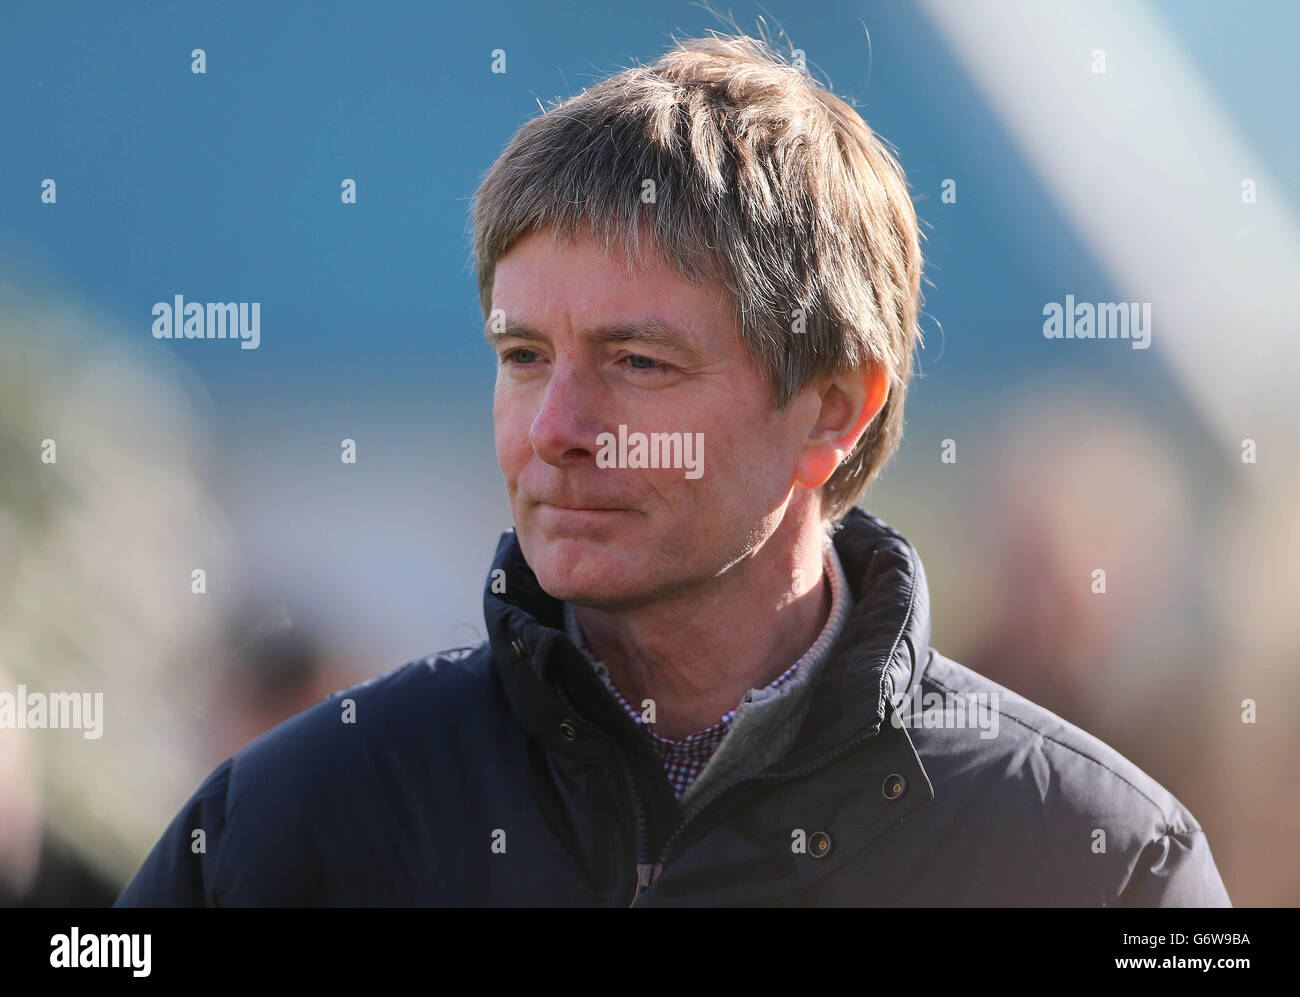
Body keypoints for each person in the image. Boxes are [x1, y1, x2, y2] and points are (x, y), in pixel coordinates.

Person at [116, 32, 1230, 907]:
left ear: (831, 409)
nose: (555, 425)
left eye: (637, 362)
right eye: (522, 356)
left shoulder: (1101, 859)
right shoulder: (295, 822)